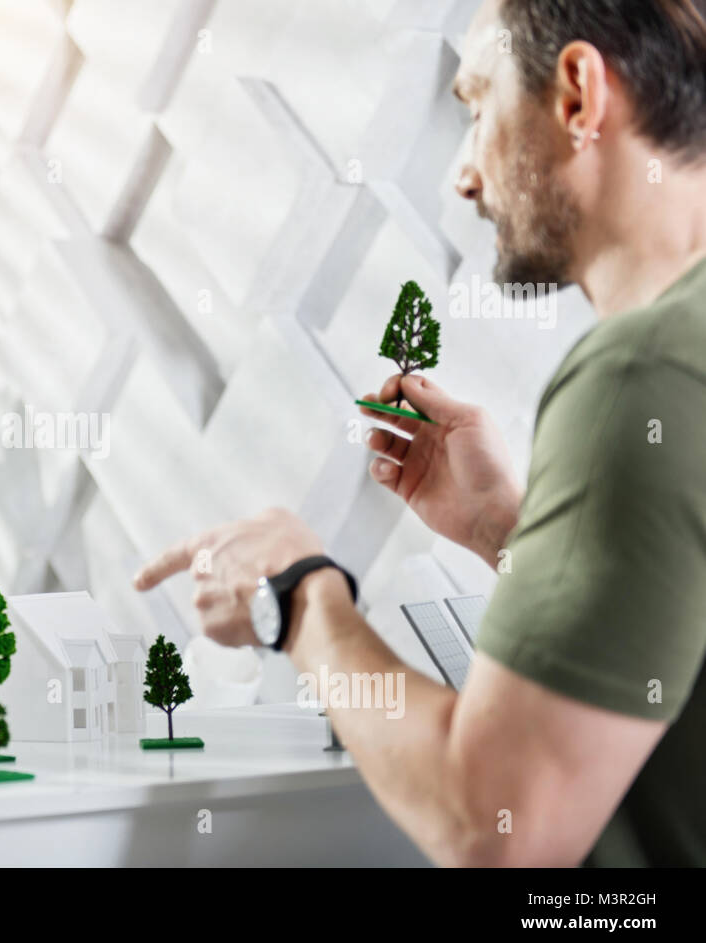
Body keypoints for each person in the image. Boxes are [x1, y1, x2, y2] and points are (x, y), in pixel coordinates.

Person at [134, 0, 706, 866]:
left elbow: (495, 825)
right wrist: (498, 528)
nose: (464, 177)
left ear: (580, 95)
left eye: (478, 108)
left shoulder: (640, 373)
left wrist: (300, 593)